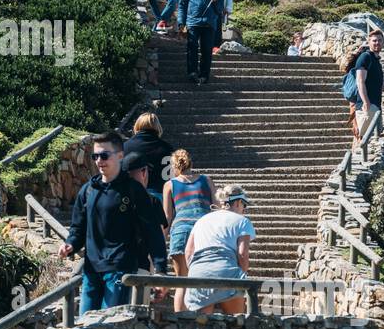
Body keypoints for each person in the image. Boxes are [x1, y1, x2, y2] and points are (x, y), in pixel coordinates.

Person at [59, 133, 168, 315]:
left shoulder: (134, 190)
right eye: (95, 156)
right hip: (91, 269)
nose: (99, 161)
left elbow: (152, 232)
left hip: (120, 268)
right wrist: (70, 244)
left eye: (104, 155)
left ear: (120, 155)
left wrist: (161, 269)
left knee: (108, 325)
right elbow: (78, 228)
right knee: (83, 327)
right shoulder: (87, 191)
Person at [184, 184, 255, 316]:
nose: (244, 209)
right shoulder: (242, 221)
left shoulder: (201, 220)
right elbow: (242, 254)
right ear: (239, 202)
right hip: (227, 271)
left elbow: (188, 252)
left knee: (202, 325)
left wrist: (197, 269)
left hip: (199, 273)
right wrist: (242, 276)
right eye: (244, 205)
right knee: (236, 322)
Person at [163, 150, 214, 313]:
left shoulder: (170, 185)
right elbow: (218, 207)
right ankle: (204, 323)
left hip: (181, 232)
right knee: (204, 281)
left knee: (181, 282)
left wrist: (161, 241)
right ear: (191, 163)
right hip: (204, 231)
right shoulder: (206, 180)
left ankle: (180, 326)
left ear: (174, 166)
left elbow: (167, 216)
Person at [177, 0, 222, 84]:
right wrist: (181, 22)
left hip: (209, 24)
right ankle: (192, 72)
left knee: (207, 50)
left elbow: (219, 9)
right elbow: (181, 6)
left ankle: (204, 75)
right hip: (192, 22)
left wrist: (216, 2)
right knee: (192, 48)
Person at [121, 112, 174, 203]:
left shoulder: (125, 147)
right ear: (158, 127)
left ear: (137, 126)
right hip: (161, 197)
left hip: (131, 196)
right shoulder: (167, 148)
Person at [354, 29, 384, 142]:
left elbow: (383, 86)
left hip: (376, 106)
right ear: (369, 42)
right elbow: (360, 81)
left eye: (380, 40)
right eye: (374, 40)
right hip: (366, 106)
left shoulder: (376, 60)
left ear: (383, 42)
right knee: (365, 138)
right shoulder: (365, 57)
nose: (377, 43)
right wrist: (366, 102)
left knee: (375, 139)